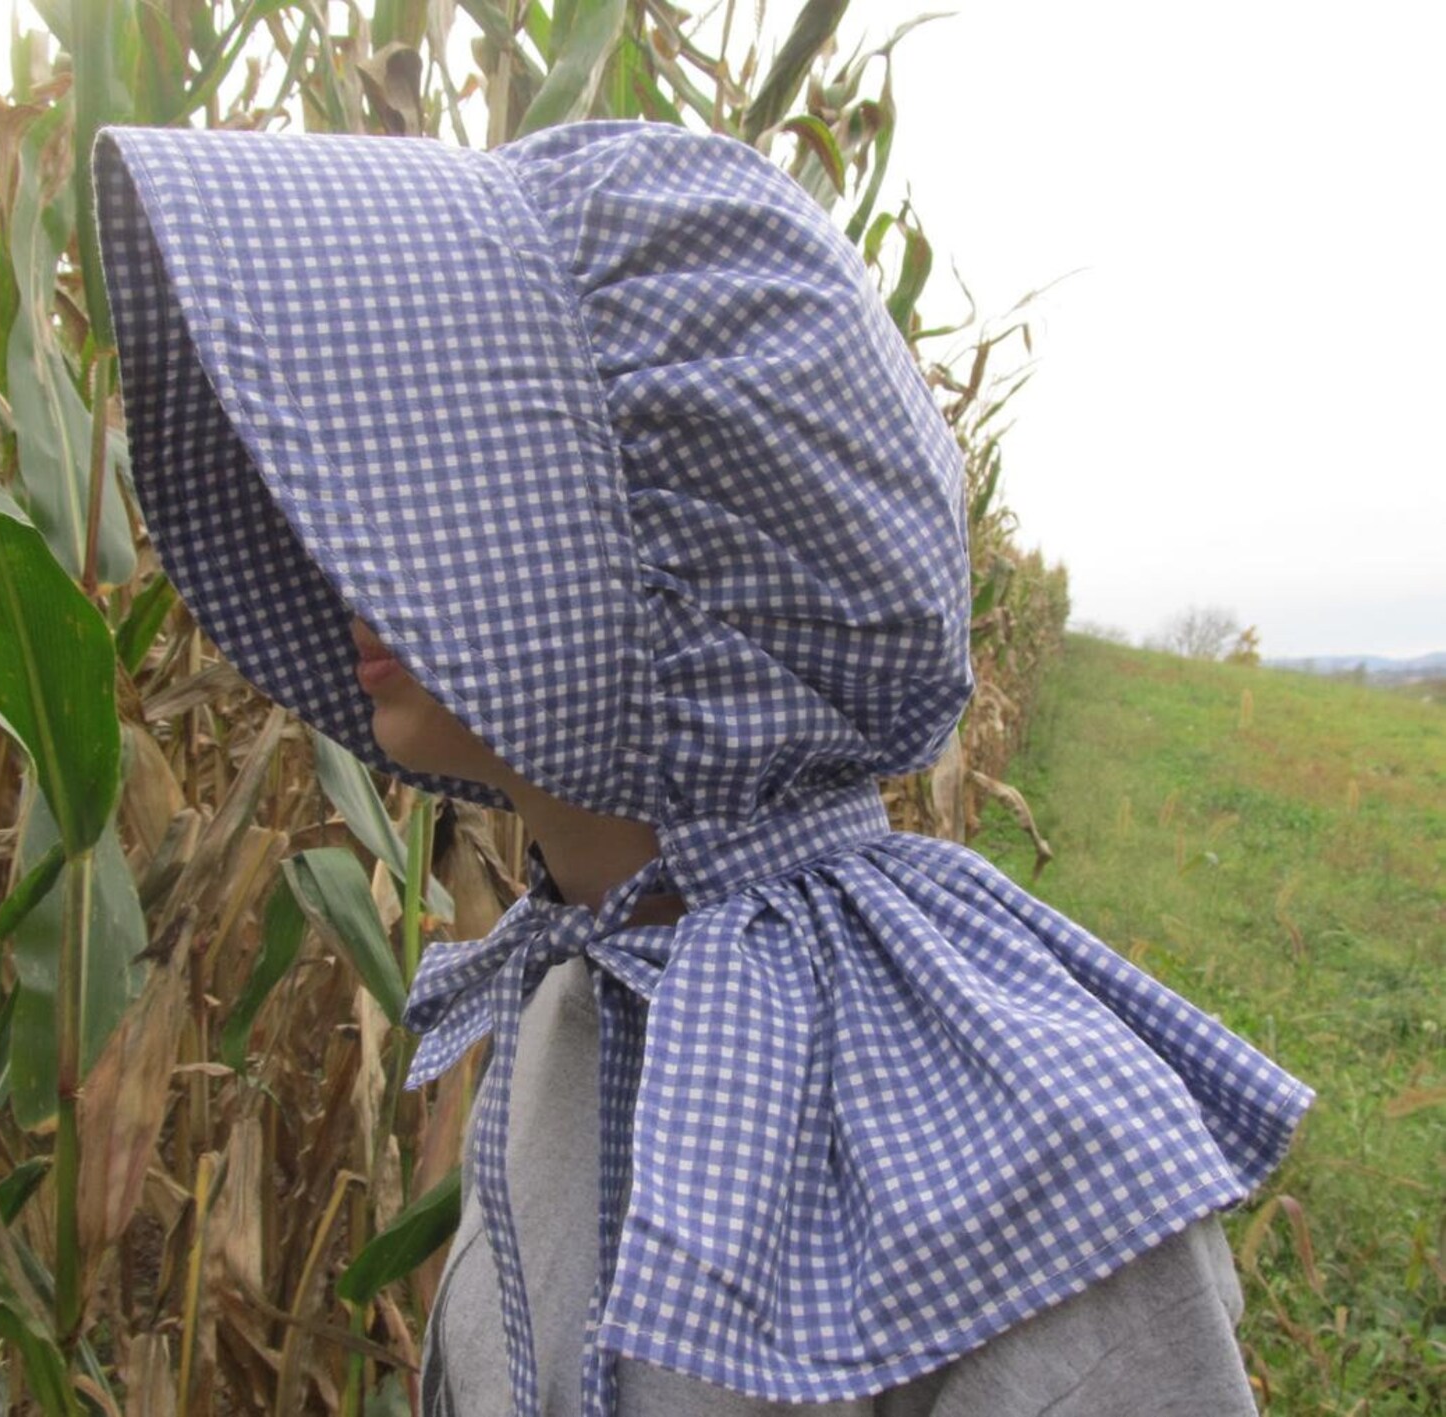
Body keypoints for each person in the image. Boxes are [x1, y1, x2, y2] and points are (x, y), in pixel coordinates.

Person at [94, 118, 1314, 1417]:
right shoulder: (569, 998)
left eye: (449, 462)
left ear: (680, 548)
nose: (350, 544)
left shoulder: (1011, 1135)